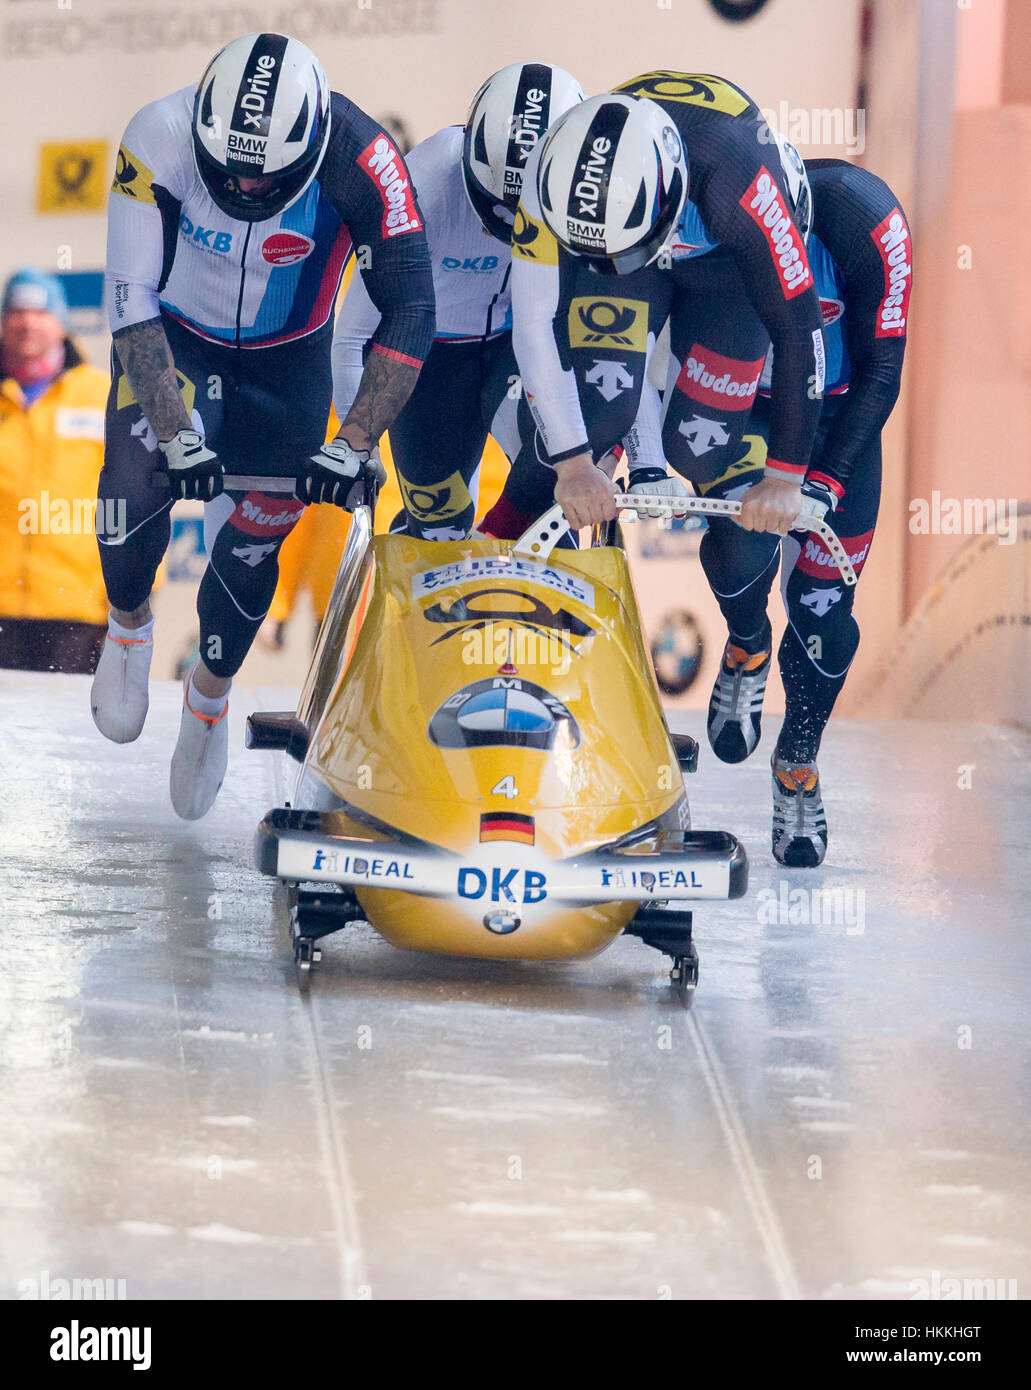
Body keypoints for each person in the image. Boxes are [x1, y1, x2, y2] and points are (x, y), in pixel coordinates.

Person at [92, 31, 434, 819]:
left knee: (253, 543)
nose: (246, 184)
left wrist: (352, 444)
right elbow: (130, 301)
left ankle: (208, 702)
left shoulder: (365, 160)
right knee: (133, 481)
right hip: (175, 335)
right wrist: (178, 434)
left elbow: (413, 308)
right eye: (230, 170)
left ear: (312, 147)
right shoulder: (155, 136)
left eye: (266, 173)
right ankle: (129, 624)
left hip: (288, 363)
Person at [332, 62, 584, 541]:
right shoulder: (422, 183)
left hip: (520, 343)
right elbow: (353, 335)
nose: (510, 224)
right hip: (431, 361)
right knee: (437, 531)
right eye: (496, 205)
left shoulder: (586, 190)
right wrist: (357, 452)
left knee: (554, 481)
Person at [750, 158, 910, 864]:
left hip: (838, 420)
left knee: (821, 613)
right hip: (749, 414)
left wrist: (830, 479)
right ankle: (743, 642)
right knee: (741, 566)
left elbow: (881, 368)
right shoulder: (721, 216)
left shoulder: (866, 221)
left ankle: (797, 760)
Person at [0, 268, 112, 673]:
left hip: (77, 609)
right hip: (1, 609)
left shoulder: (103, 395)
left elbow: (137, 495)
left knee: (67, 735)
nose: (26, 322)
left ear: (62, 322)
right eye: (15, 311)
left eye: (40, 311)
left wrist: (135, 590)